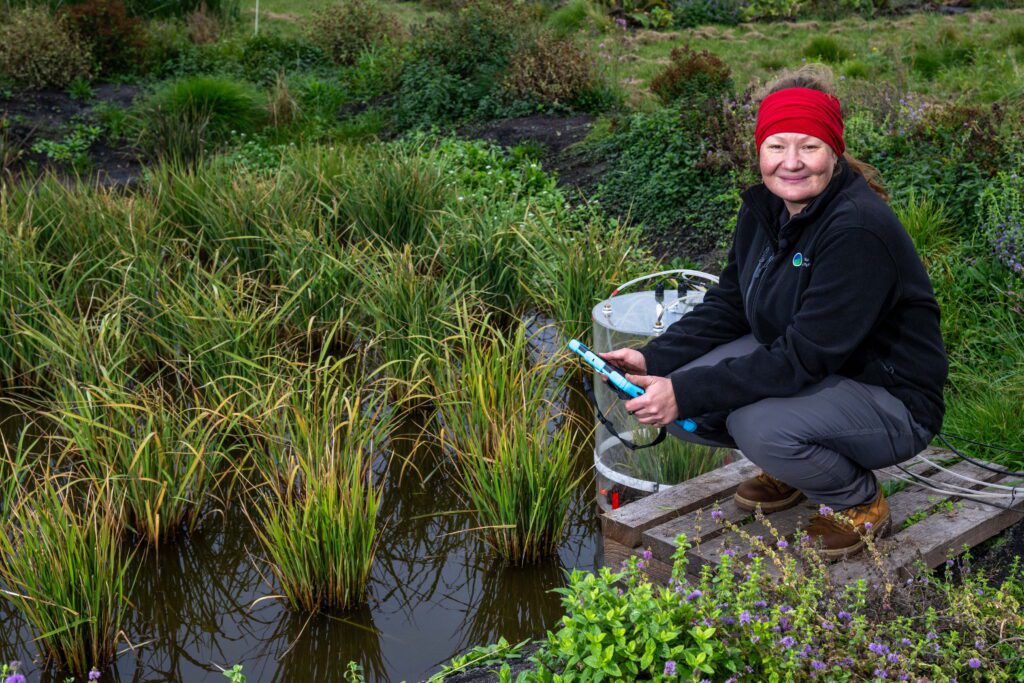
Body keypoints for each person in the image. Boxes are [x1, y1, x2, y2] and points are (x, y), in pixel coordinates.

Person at [600, 66, 948, 559]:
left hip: (890, 399)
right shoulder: (766, 208)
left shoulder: (856, 232)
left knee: (757, 426)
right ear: (759, 151)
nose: (792, 162)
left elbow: (804, 356)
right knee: (674, 391)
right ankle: (795, 468)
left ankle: (859, 501)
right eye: (777, 146)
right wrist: (655, 360)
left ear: (834, 152)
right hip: (822, 373)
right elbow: (730, 304)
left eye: (809, 147)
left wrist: (685, 391)